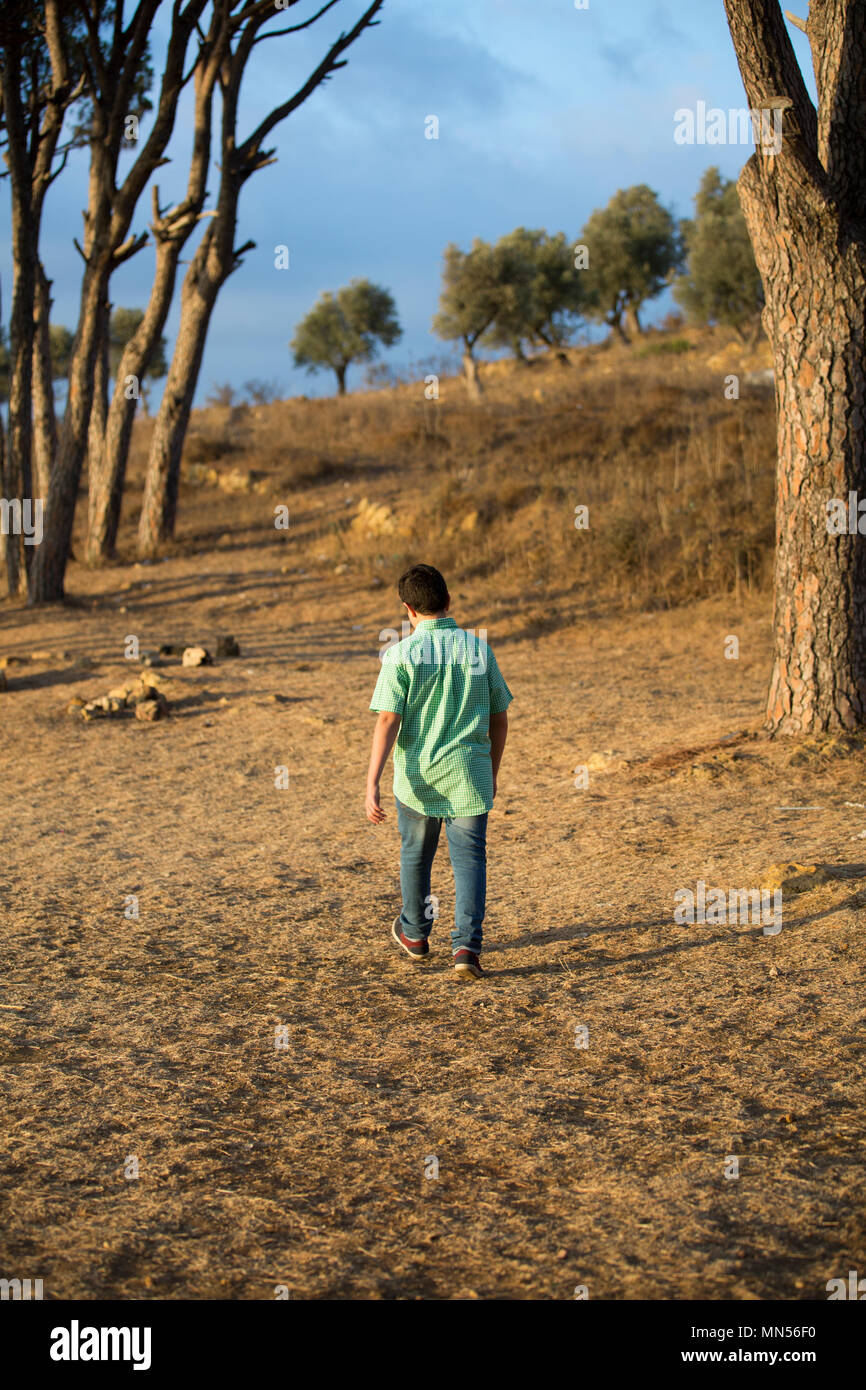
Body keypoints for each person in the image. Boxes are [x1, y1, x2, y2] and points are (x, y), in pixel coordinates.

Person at [365, 563, 512, 979]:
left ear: (408, 609)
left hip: (416, 779)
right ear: (449, 601)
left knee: (416, 855)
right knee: (469, 860)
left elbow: (387, 720)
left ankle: (414, 932)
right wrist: (492, 770)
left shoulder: (400, 654)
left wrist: (371, 782)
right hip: (470, 775)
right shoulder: (479, 650)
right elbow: (500, 716)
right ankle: (466, 948)